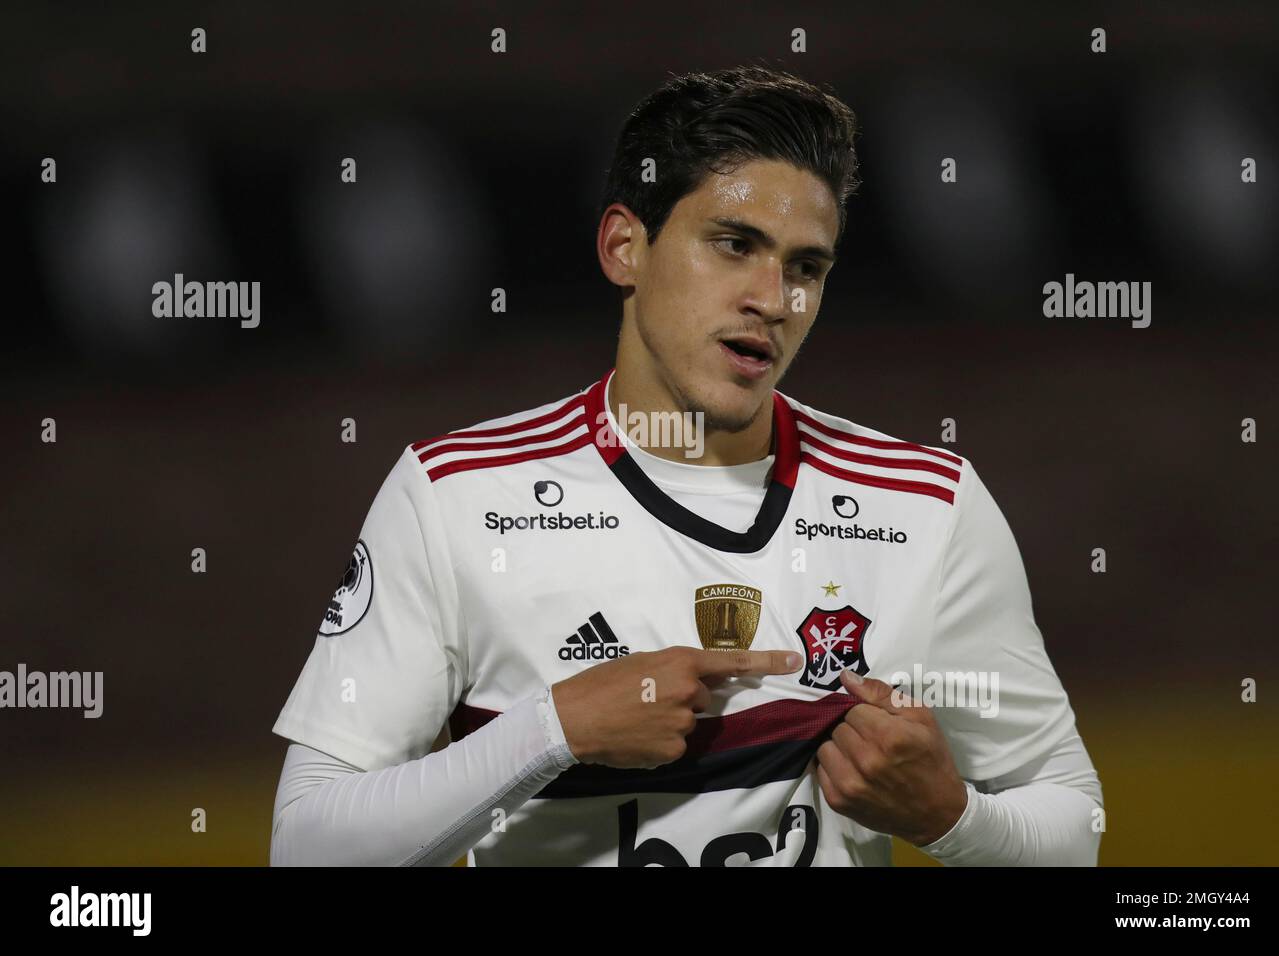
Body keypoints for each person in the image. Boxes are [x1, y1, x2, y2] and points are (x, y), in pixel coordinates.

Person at [270, 65, 1102, 866]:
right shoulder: (456, 499)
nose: (774, 300)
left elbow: (1069, 817)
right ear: (625, 247)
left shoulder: (927, 508)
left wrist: (951, 818)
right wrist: (555, 731)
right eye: (734, 244)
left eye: (806, 267)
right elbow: (307, 846)